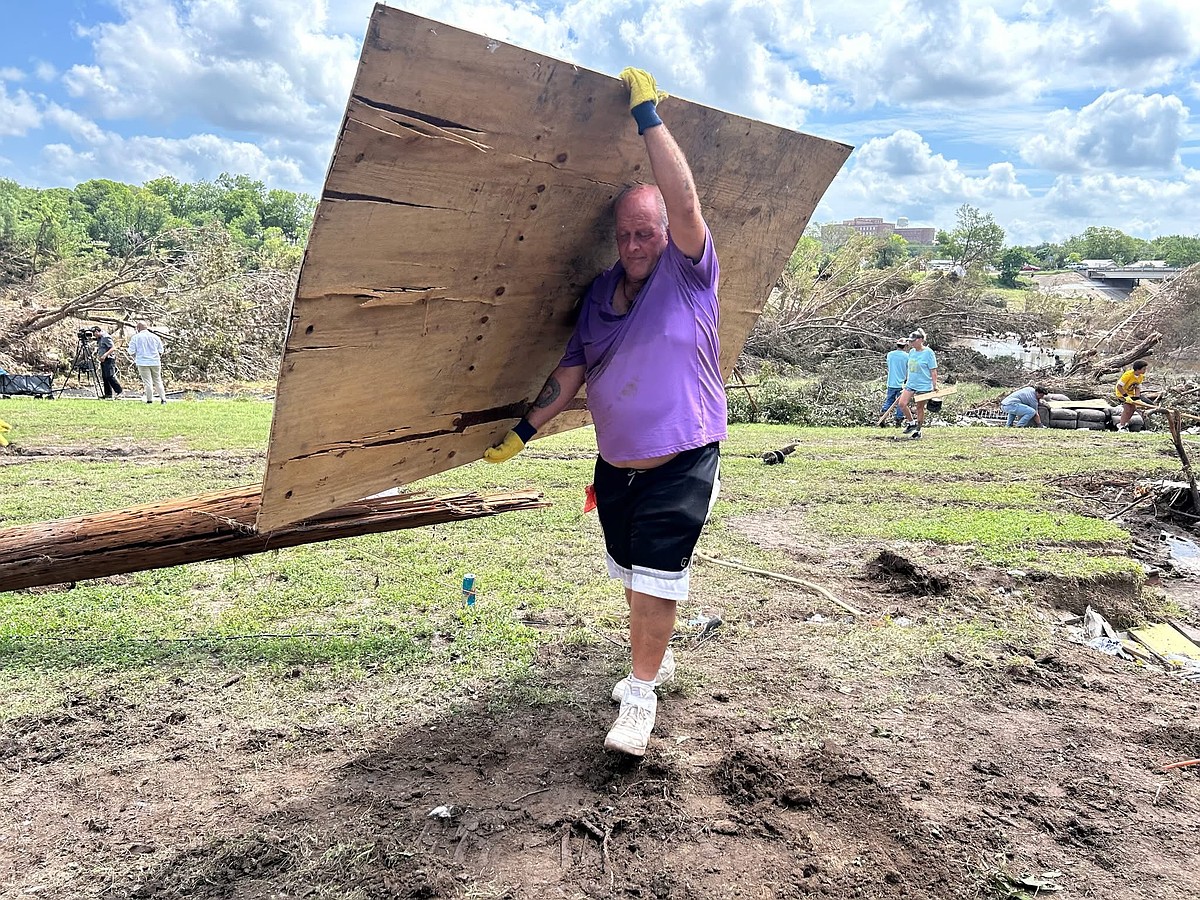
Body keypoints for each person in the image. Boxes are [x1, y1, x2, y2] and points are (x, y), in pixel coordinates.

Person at [482, 67, 723, 757]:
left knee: (654, 577)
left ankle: (641, 699)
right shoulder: (600, 293)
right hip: (615, 466)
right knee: (631, 573)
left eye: (645, 231)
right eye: (625, 235)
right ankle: (658, 657)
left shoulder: (689, 271)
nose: (635, 243)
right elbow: (571, 370)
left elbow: (682, 200)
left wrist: (647, 116)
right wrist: (524, 432)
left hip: (682, 458)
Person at [897, 328, 938, 436]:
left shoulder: (928, 353)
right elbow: (910, 368)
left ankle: (918, 430)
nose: (911, 343)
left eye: (913, 341)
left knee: (919, 408)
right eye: (910, 341)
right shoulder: (911, 352)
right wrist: (906, 380)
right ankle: (911, 423)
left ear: (920, 340)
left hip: (923, 386)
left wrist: (934, 386)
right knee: (902, 404)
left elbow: (933, 371)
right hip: (911, 383)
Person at [126, 321, 167, 404]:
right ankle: (163, 399)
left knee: (148, 382)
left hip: (142, 362)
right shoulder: (155, 337)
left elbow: (131, 351)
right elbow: (161, 350)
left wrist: (136, 355)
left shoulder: (136, 338)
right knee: (158, 380)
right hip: (155, 361)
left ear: (138, 328)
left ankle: (149, 400)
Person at [880, 337, 909, 426]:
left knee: (889, 400)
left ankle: (883, 415)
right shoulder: (907, 356)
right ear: (905, 346)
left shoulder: (890, 355)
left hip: (891, 382)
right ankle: (898, 420)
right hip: (901, 384)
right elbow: (908, 369)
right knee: (901, 403)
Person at [1114, 359, 1149, 432]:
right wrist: (1125, 396)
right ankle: (1121, 425)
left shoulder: (1140, 376)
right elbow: (1119, 386)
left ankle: (1125, 423)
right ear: (1137, 369)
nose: (1145, 370)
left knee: (1133, 409)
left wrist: (1137, 398)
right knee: (1127, 408)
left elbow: (1137, 387)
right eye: (1144, 369)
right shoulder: (1128, 375)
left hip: (1131, 394)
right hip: (1121, 393)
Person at [91, 325, 123, 400]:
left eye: (94, 333)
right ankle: (108, 394)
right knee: (105, 377)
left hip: (109, 359)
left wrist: (105, 355)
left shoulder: (106, 337)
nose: (94, 335)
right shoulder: (99, 338)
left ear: (97, 331)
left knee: (110, 376)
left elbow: (113, 348)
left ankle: (119, 391)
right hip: (103, 360)